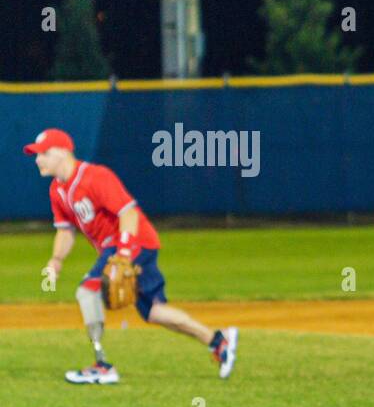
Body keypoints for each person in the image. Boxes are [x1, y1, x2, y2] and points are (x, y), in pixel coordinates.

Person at [24, 128, 238, 384]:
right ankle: (217, 340)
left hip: (132, 242)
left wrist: (124, 253)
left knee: (87, 291)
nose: (38, 159)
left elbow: (129, 213)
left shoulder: (95, 177)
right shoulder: (56, 191)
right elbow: (65, 231)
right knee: (154, 312)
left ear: (62, 152)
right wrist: (56, 260)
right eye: (37, 154)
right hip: (126, 247)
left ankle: (102, 365)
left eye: (44, 153)